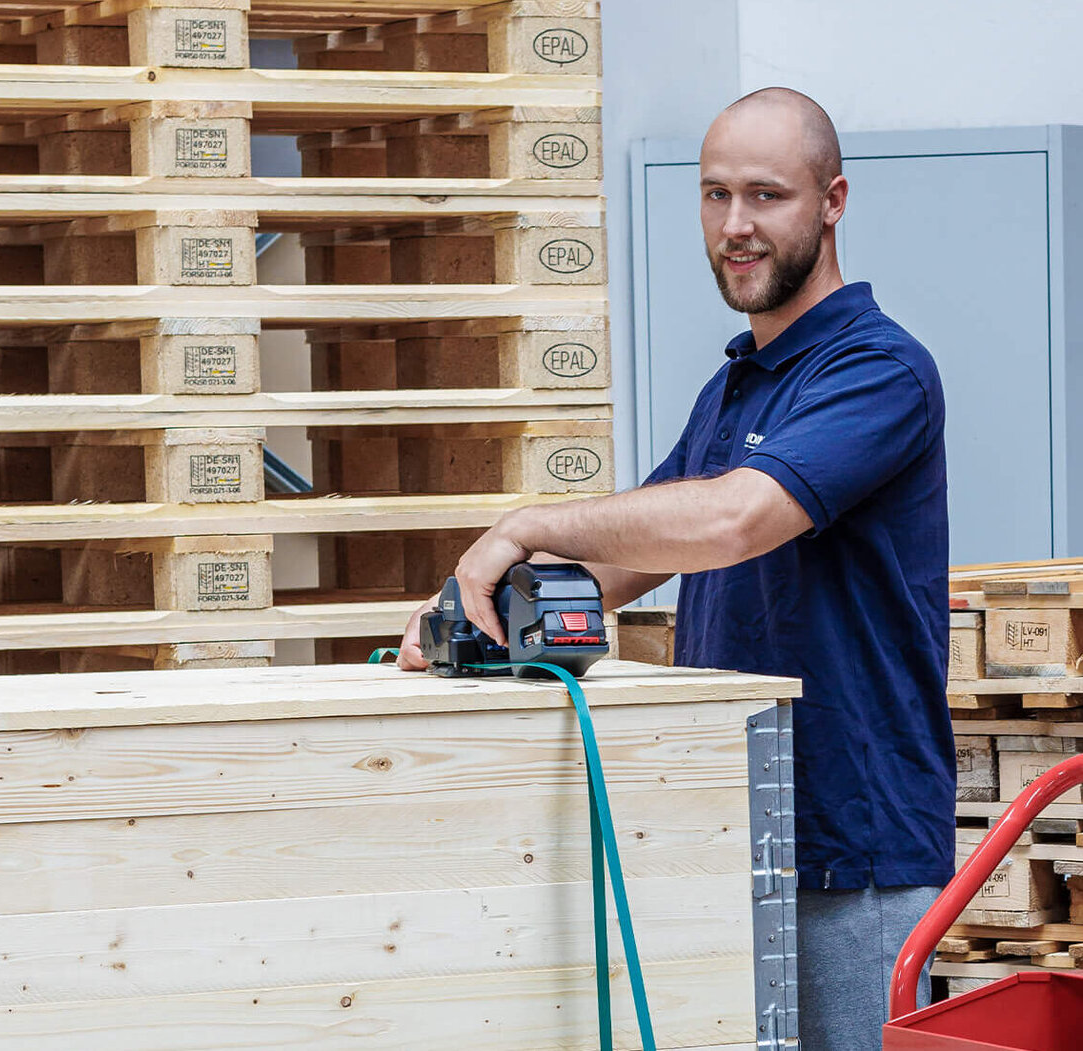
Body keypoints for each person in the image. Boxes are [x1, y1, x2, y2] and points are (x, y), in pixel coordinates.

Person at [398, 86, 953, 1049]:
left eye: (767, 196)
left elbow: (735, 519)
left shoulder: (879, 371)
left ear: (833, 202)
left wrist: (524, 521)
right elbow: (632, 557)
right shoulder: (738, 383)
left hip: (853, 850)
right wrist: (468, 614)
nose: (735, 226)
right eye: (714, 195)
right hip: (726, 832)